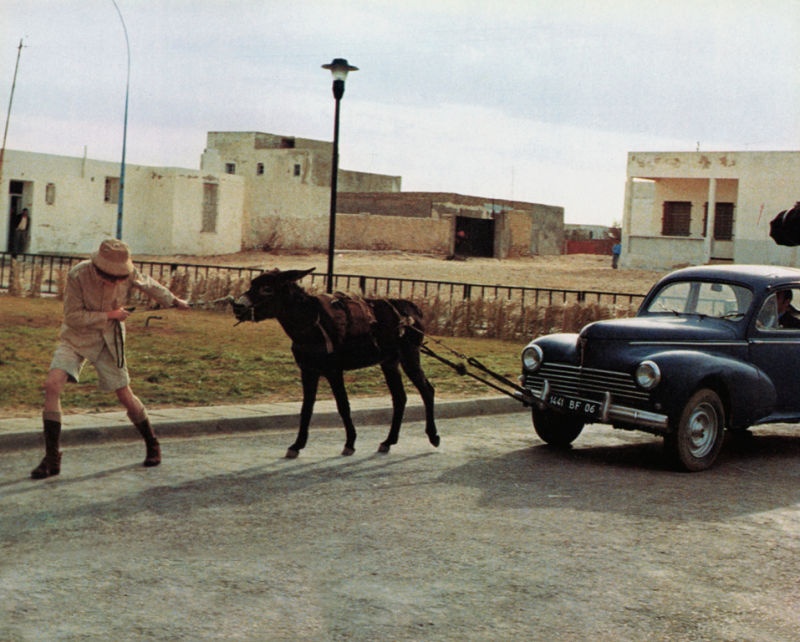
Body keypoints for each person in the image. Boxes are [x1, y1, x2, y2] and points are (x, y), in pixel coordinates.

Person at [31, 239, 191, 479]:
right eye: (111, 277)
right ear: (97, 267)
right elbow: (73, 317)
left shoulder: (126, 272)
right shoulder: (78, 275)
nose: (116, 281)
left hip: (109, 341)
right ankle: (52, 457)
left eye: (120, 277)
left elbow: (149, 284)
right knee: (52, 385)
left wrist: (174, 301)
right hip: (76, 338)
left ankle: (152, 443)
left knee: (124, 394)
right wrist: (110, 314)